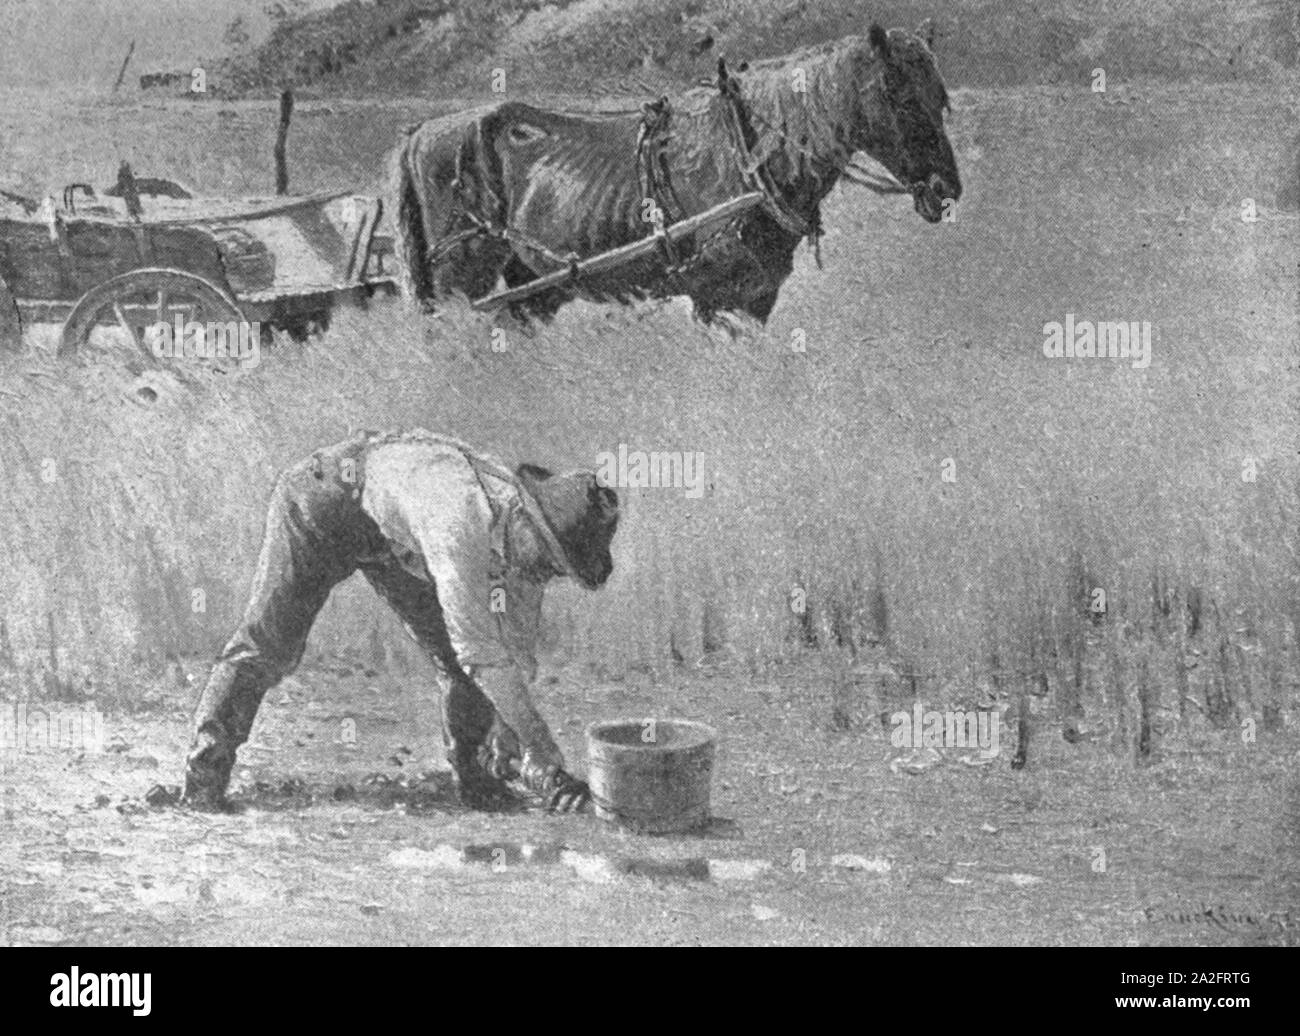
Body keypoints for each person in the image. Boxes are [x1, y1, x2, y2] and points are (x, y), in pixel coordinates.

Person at [181, 428, 619, 813]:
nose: (547, 572)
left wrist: (509, 732)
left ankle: (479, 779)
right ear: (524, 514)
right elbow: (481, 654)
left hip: (390, 531)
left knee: (452, 657)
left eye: (559, 567)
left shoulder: (528, 551)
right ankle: (204, 778)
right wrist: (541, 747)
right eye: (548, 556)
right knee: (267, 647)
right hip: (325, 500)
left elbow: (515, 649)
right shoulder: (459, 516)